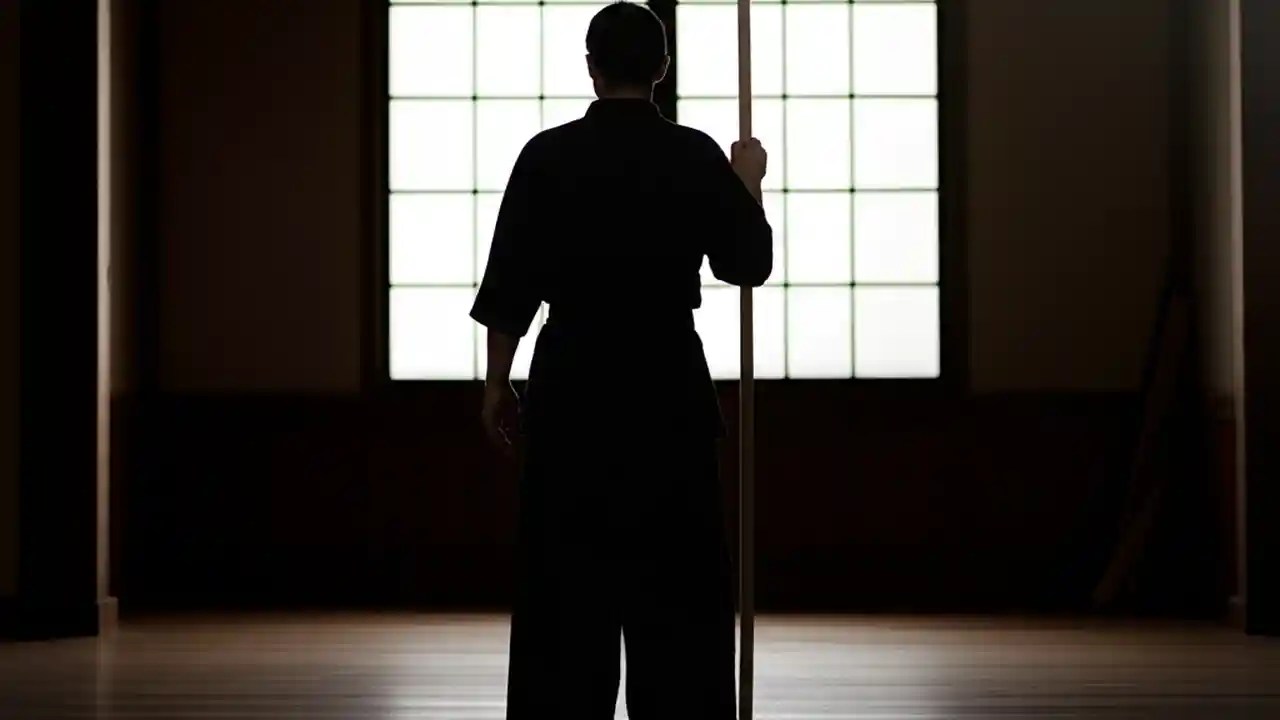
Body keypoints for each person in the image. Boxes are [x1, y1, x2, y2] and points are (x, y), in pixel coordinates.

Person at [469, 2, 772, 717]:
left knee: (565, 593)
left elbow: (510, 285)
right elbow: (746, 265)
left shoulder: (547, 155)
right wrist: (749, 179)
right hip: (666, 382)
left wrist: (495, 385)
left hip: (573, 383)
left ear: (590, 66)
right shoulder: (695, 154)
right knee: (679, 596)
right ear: (662, 69)